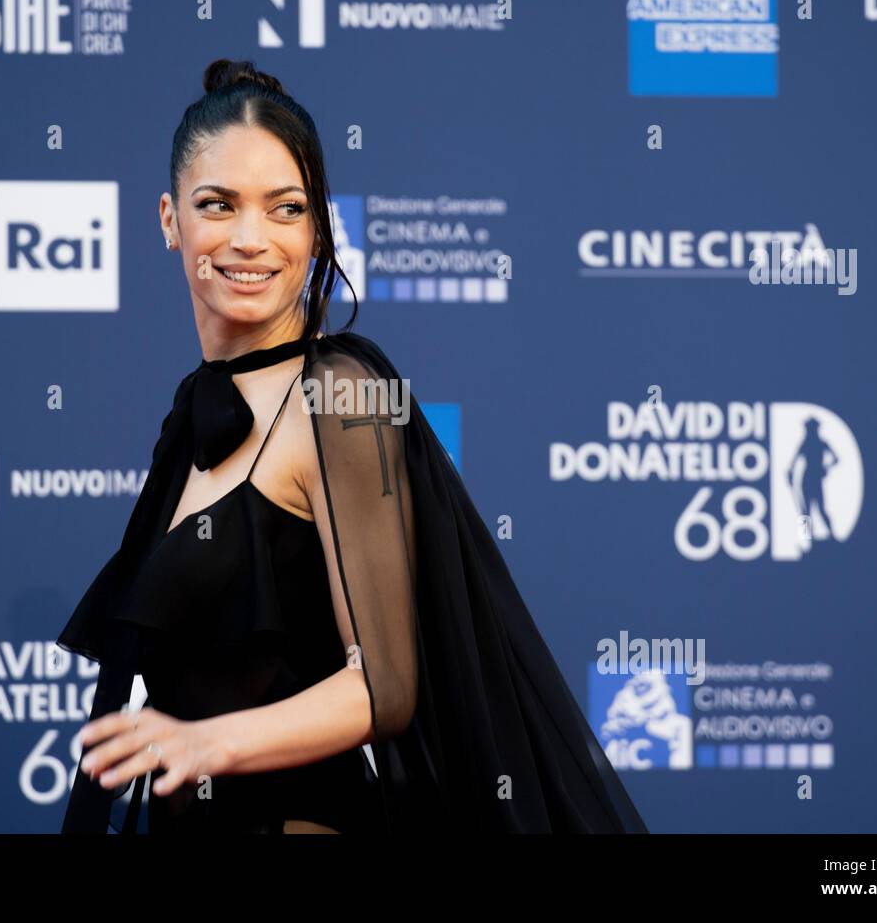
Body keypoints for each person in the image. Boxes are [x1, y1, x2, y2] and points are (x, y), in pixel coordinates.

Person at [55, 58, 648, 834]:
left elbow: (385, 687)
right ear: (170, 219)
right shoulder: (192, 413)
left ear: (318, 227)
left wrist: (207, 743)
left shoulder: (340, 393)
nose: (249, 238)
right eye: (217, 204)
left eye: (285, 208)